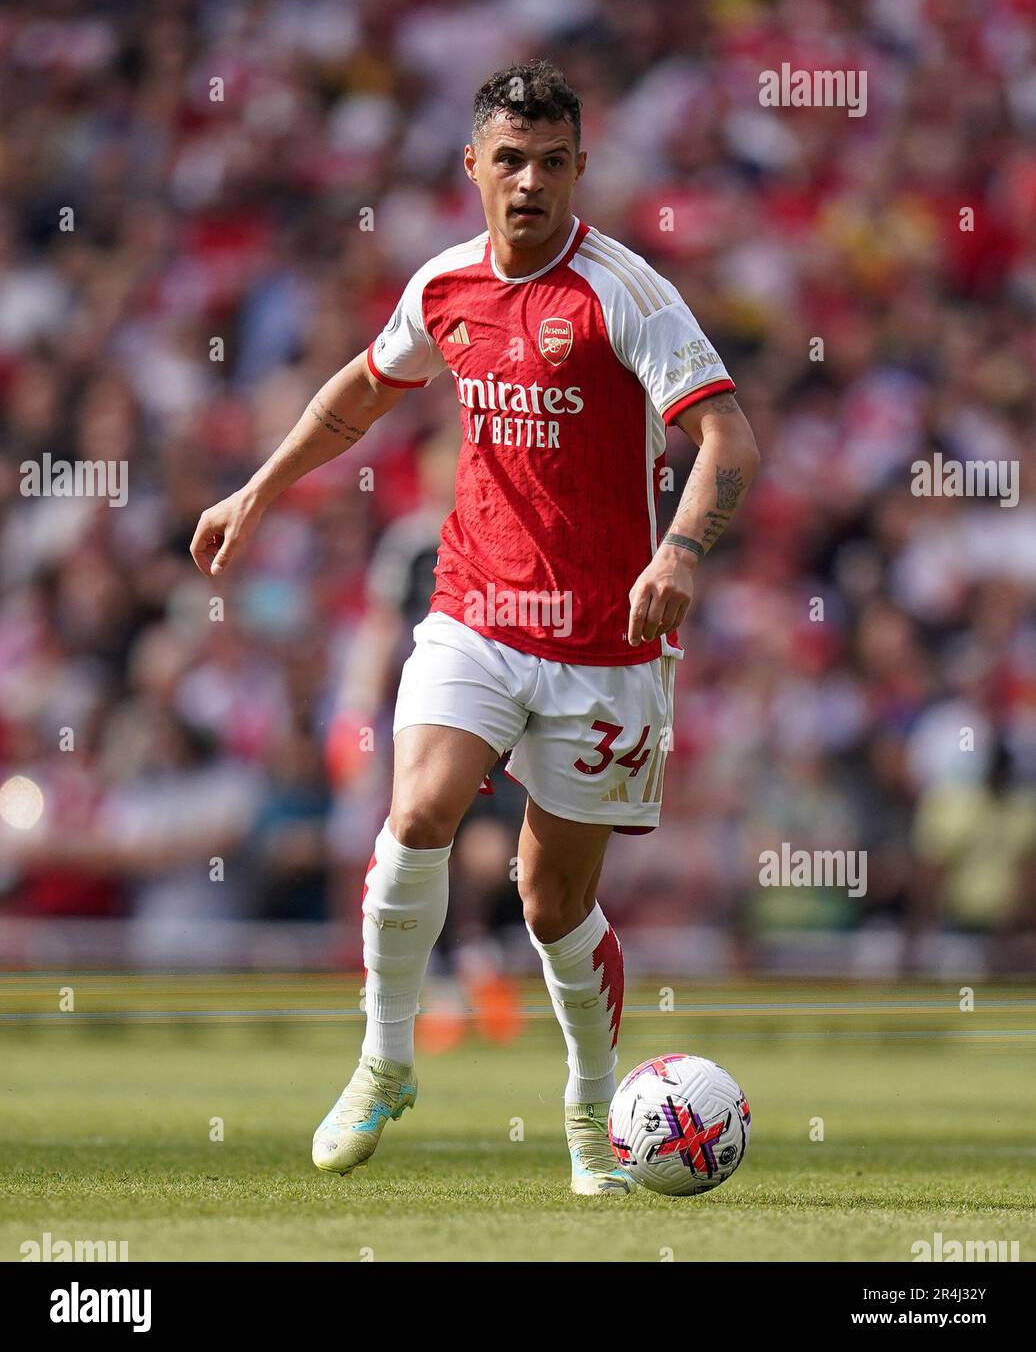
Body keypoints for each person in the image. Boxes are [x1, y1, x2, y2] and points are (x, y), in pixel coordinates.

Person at [190, 61, 760, 1195]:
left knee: (554, 904)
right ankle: (383, 1058)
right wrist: (257, 489)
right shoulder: (444, 287)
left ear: (579, 169)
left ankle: (592, 1120)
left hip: (605, 642)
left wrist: (680, 553)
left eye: (553, 161)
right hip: (476, 612)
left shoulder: (623, 293)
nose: (530, 181)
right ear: (474, 167)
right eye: (510, 159)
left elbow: (728, 440)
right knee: (417, 810)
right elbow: (361, 389)